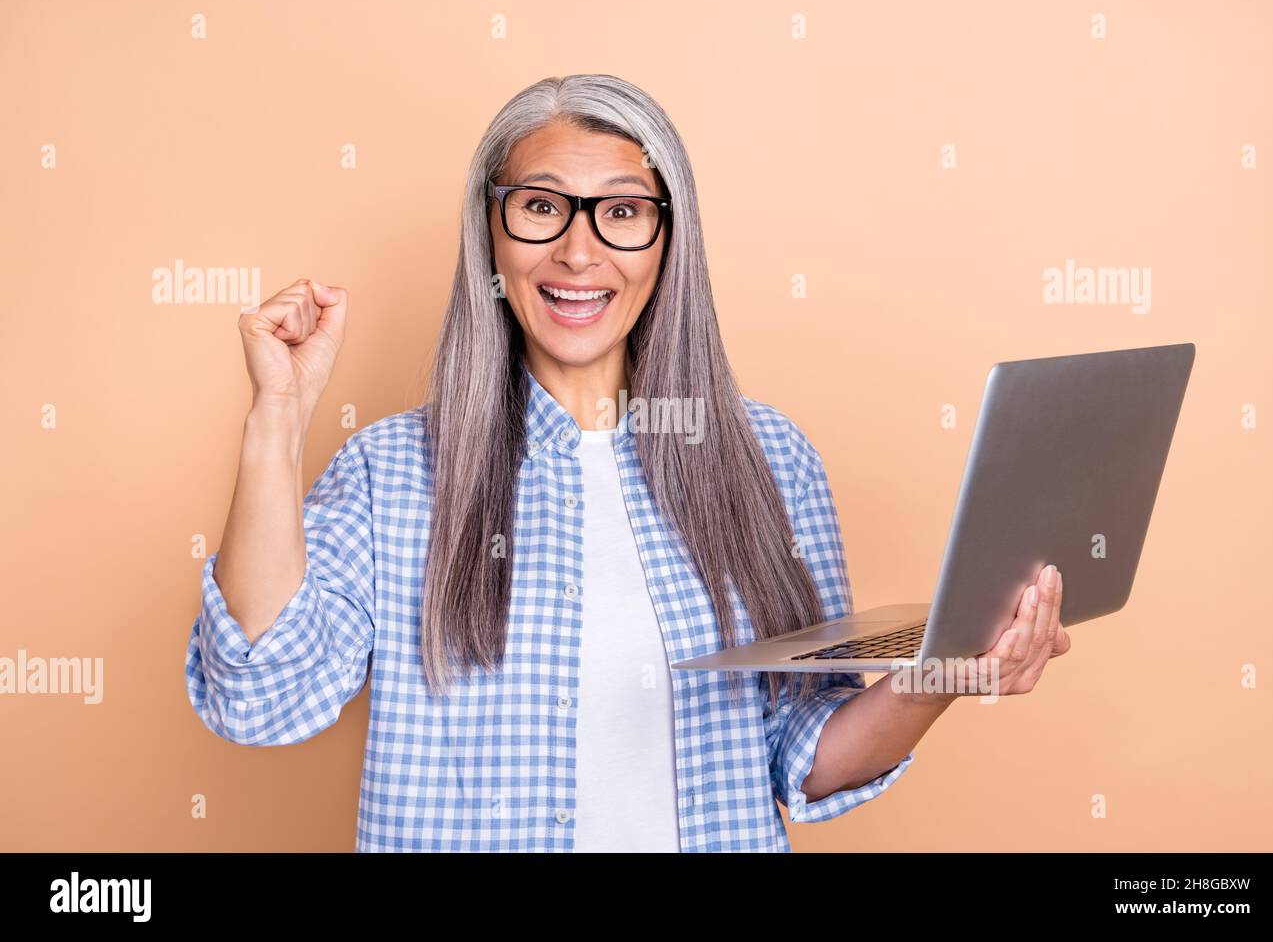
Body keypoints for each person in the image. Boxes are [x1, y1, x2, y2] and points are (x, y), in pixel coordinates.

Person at [184, 73, 1070, 852]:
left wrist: (939, 679)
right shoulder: (392, 473)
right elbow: (260, 697)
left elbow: (806, 755)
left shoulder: (773, 462)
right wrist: (279, 416)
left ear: (667, 239)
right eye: (540, 206)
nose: (579, 251)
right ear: (489, 233)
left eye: (622, 211)